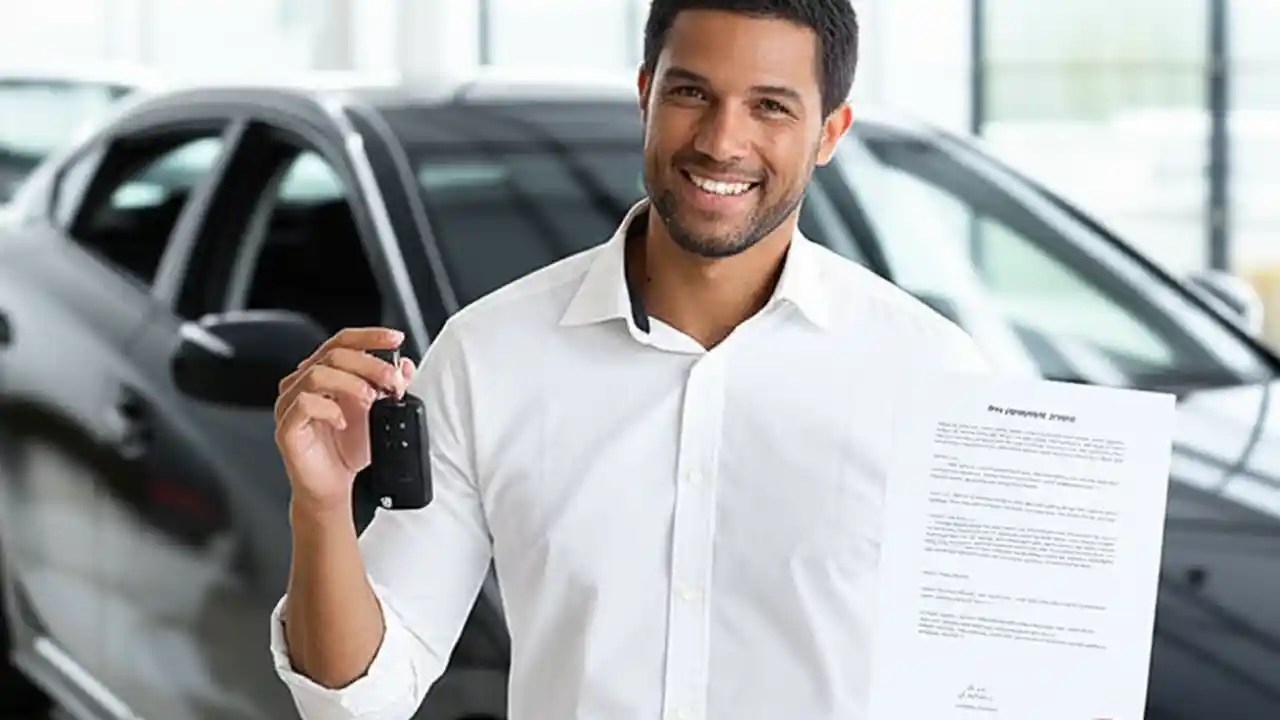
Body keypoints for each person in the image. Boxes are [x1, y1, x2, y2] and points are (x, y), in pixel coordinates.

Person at [269, 1, 991, 718]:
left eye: (770, 106)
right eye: (691, 93)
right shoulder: (488, 356)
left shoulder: (934, 378)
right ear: (646, 95)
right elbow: (360, 700)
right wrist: (322, 507)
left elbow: (991, 680)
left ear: (829, 132)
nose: (721, 141)